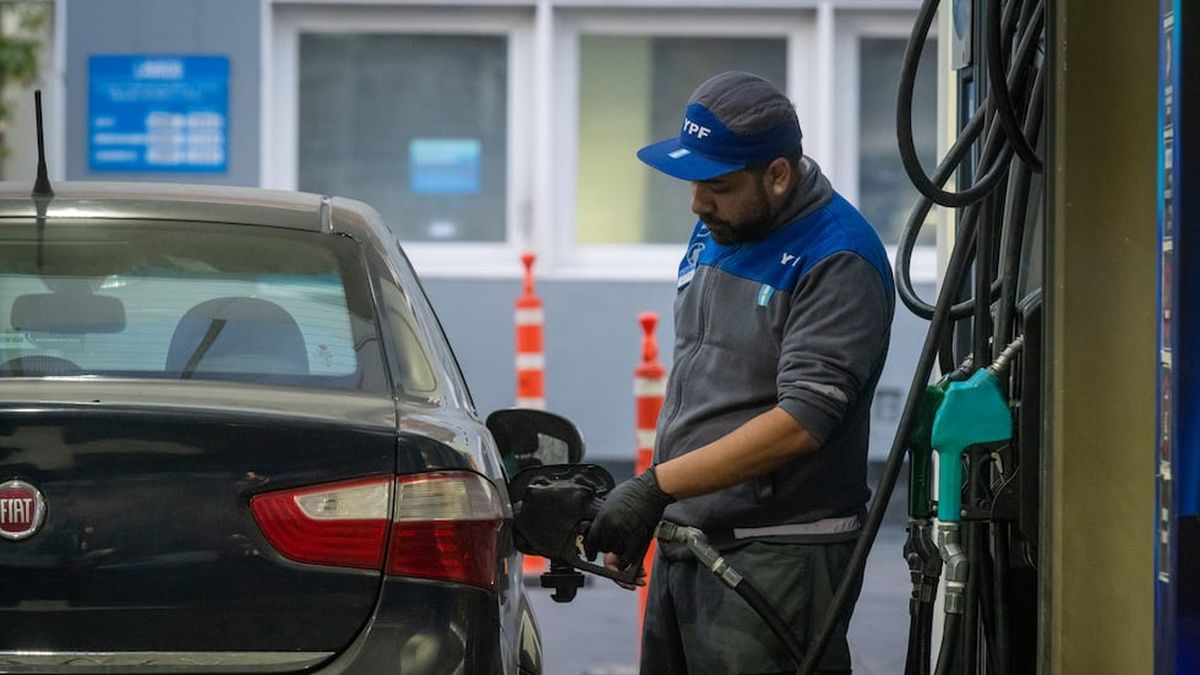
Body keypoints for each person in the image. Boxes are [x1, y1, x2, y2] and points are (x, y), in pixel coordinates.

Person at [585, 71, 896, 674]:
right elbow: (703, 378)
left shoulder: (837, 259)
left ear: (776, 175)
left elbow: (800, 423)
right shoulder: (724, 224)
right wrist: (659, 509)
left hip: (776, 558)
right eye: (696, 184)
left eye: (718, 186)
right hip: (692, 540)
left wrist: (656, 487)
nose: (698, 204)